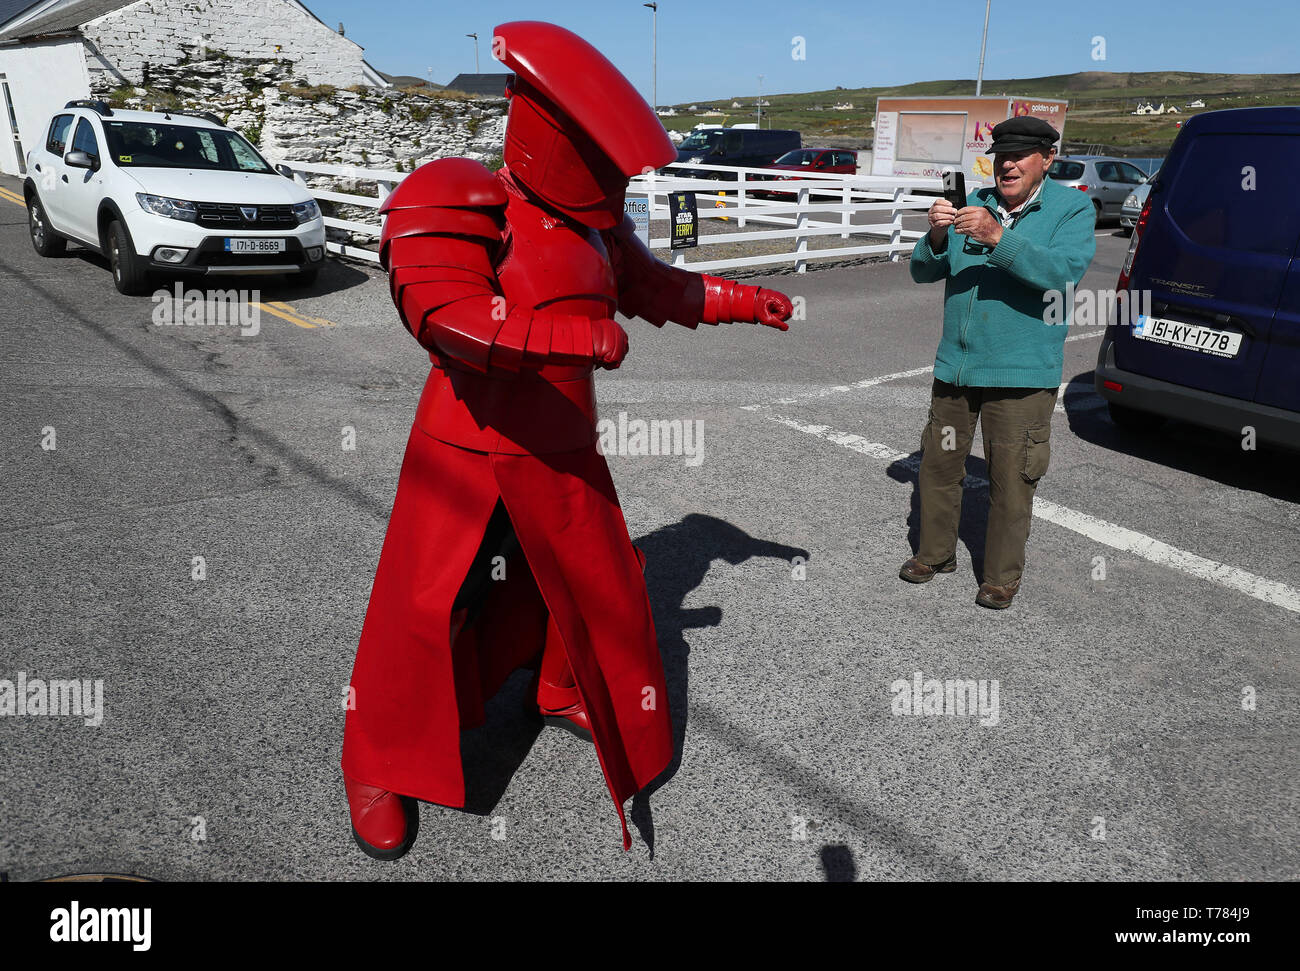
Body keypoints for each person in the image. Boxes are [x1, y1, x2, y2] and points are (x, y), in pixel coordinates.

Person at [341, 20, 794, 859]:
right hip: (466, 451)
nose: (609, 177)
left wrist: (741, 299)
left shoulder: (594, 229)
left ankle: (558, 685)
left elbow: (658, 287)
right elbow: (443, 316)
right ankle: (377, 761)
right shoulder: (459, 193)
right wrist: (563, 341)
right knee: (423, 608)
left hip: (562, 444)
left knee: (589, 586)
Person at [901, 117, 1095, 609]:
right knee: (939, 466)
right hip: (957, 369)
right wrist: (938, 237)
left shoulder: (1071, 209)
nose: (1007, 164)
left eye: (1020, 155)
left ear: (1046, 159)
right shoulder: (977, 203)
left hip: (1021, 373)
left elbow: (1063, 276)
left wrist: (998, 239)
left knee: (1012, 481)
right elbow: (923, 272)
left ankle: (1001, 577)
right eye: (1001, 155)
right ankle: (936, 553)